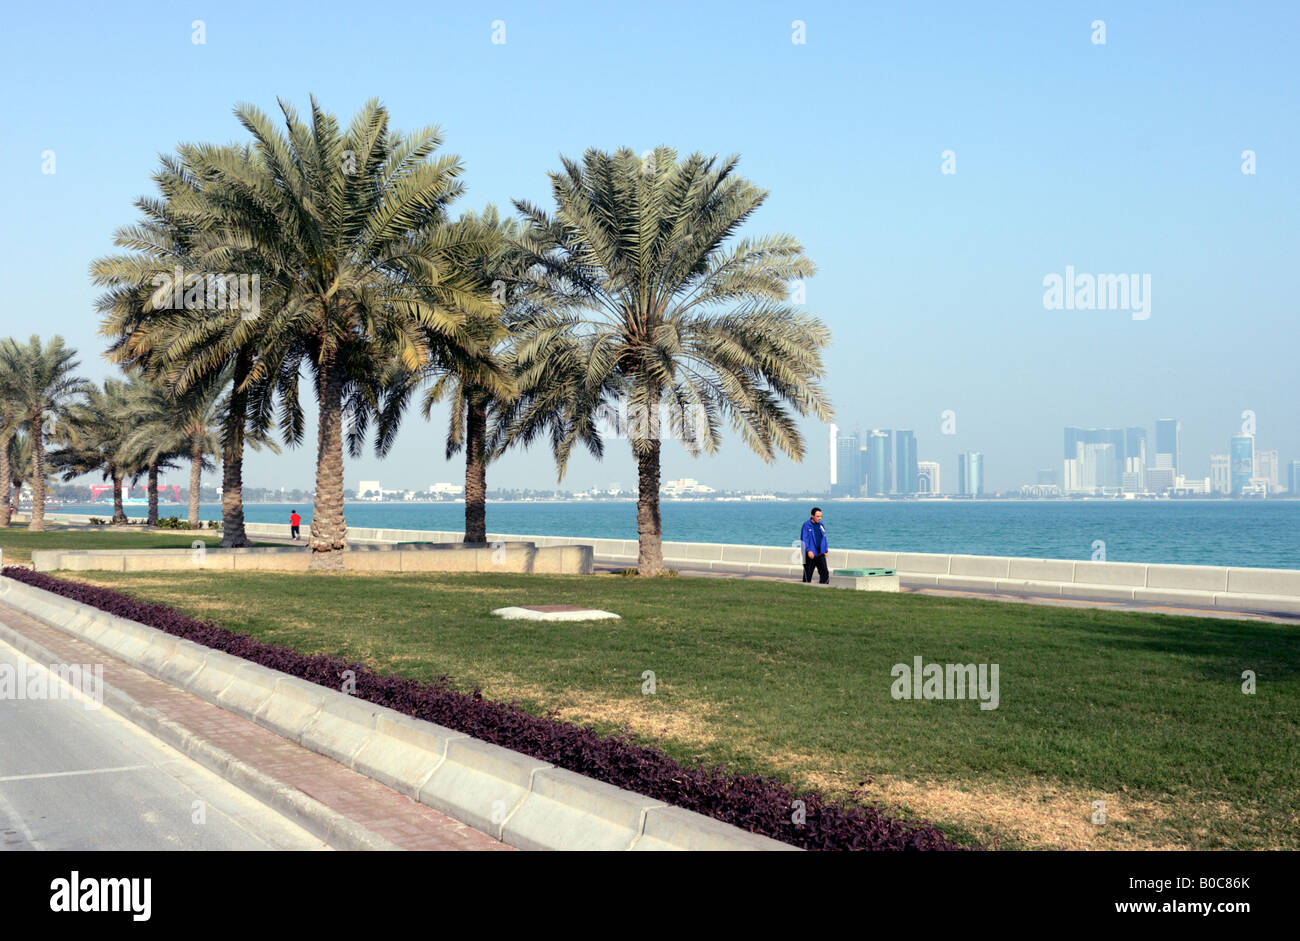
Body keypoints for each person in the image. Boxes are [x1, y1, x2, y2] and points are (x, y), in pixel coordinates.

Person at [800, 506, 829, 584]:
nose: (819, 518)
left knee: (825, 573)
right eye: (817, 516)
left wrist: (825, 550)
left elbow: (824, 538)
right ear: (812, 516)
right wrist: (808, 550)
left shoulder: (821, 525)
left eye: (820, 516)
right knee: (807, 575)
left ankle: (824, 588)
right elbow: (804, 539)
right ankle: (805, 590)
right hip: (810, 554)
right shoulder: (806, 525)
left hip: (820, 553)